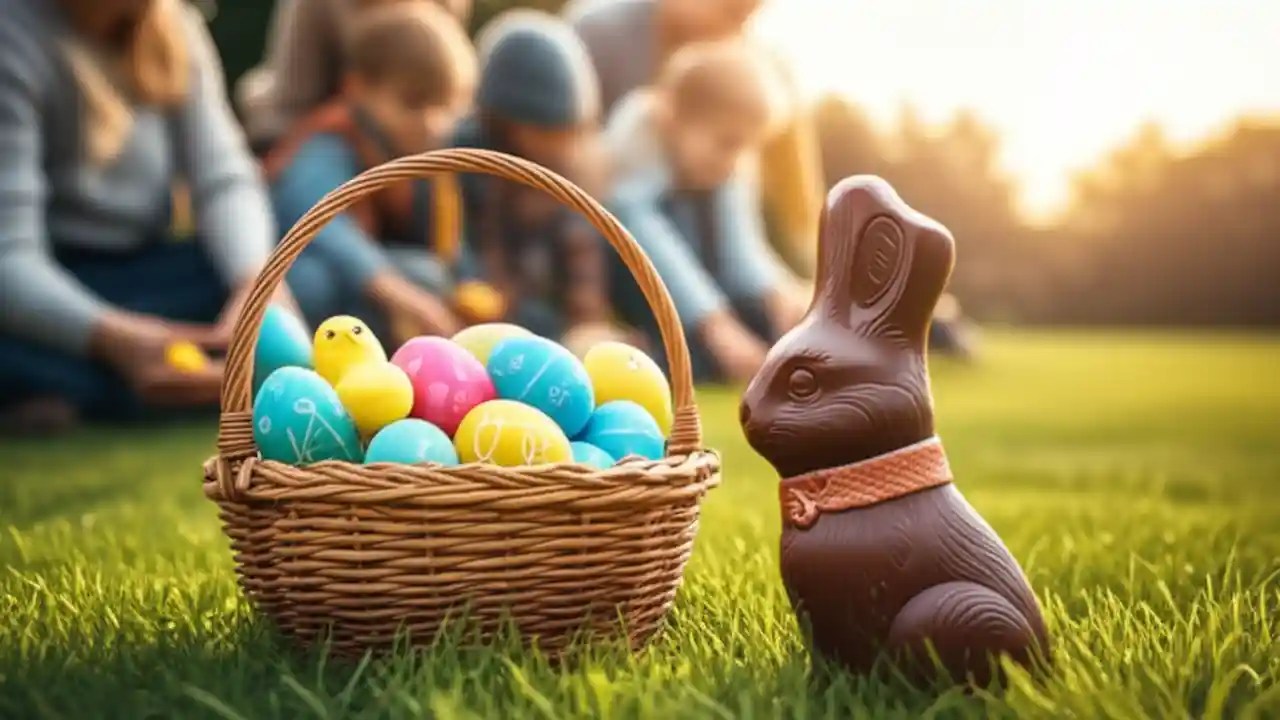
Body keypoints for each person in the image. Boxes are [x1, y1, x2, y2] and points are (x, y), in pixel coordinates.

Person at [0, 0, 280, 433]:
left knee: (296, 286)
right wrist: (111, 338)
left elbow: (224, 180)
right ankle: (138, 386)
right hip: (52, 277)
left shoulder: (177, 27)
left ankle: (77, 389)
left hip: (149, 273)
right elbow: (10, 256)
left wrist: (254, 284)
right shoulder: (13, 33)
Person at [565, 0, 825, 277]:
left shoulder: (758, 66)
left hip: (706, 255)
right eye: (731, 10)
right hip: (612, 238)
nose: (736, 29)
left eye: (747, 15)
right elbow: (568, 160)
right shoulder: (598, 32)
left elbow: (794, 205)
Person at [266, 2, 478, 343]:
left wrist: (470, 281)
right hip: (296, 273)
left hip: (368, 279)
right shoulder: (333, 141)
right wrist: (390, 287)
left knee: (428, 274)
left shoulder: (416, 154)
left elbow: (451, 242)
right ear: (357, 87)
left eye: (444, 107)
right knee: (312, 283)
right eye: (412, 103)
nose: (431, 123)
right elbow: (318, 219)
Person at [605, 40, 808, 384]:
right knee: (688, 359)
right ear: (671, 120)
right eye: (727, 144)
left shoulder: (722, 169)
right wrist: (716, 327)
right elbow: (650, 240)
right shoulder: (634, 145)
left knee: (769, 321)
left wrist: (780, 296)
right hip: (637, 285)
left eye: (745, 149)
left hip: (702, 289)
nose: (734, 162)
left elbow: (741, 247)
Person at [449, 12, 614, 343]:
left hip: (536, 303)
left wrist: (585, 312)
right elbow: (456, 248)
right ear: (505, 121)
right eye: (548, 132)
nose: (562, 145)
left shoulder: (564, 172)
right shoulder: (462, 164)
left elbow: (579, 250)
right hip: (480, 297)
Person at [238, 0, 472, 152]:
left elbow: (446, 87)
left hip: (404, 138)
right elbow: (287, 114)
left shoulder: (445, 7)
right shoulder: (314, 8)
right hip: (321, 130)